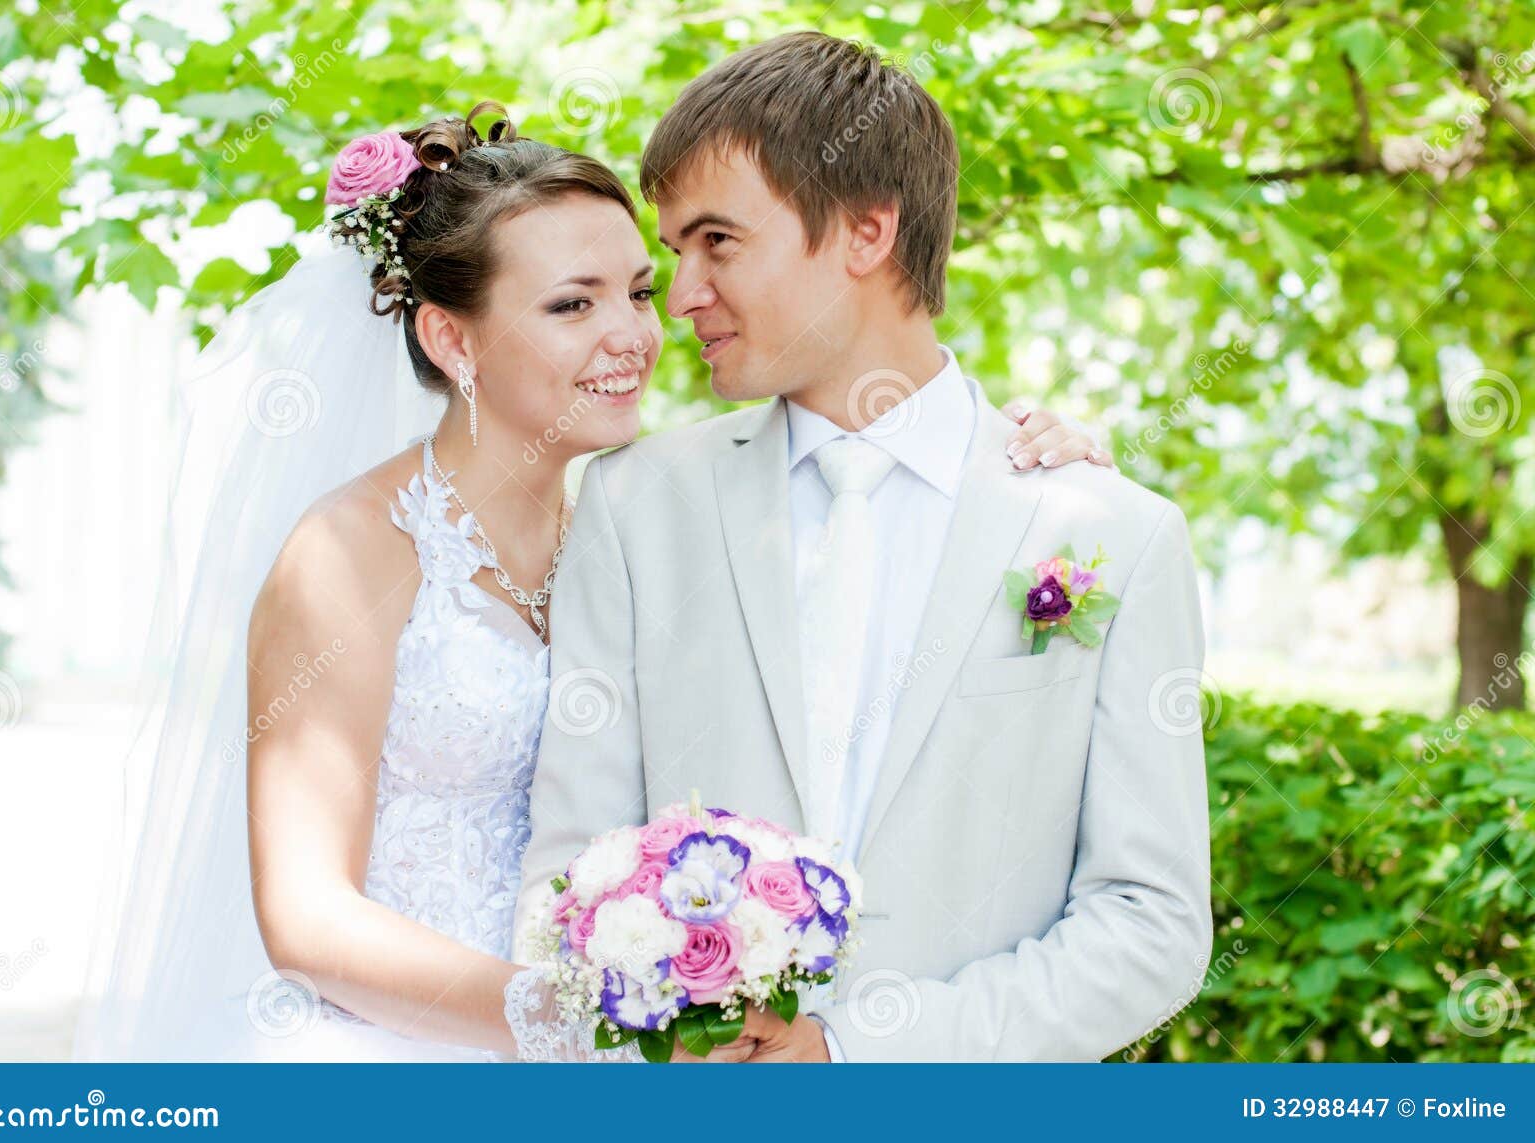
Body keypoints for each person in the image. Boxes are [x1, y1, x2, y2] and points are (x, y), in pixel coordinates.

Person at [75, 97, 1108, 1061]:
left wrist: (1021, 458)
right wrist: (572, 1016)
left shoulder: (649, 523)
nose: (635, 334)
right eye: (574, 303)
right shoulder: (346, 555)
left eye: (638, 291)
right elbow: (306, 918)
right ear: (450, 336)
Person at [514, 32, 1212, 1063]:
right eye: (676, 254)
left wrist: (857, 1053)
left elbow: (1150, 923)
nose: (683, 292)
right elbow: (568, 876)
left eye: (717, 241)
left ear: (866, 228)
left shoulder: (1110, 533)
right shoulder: (631, 506)